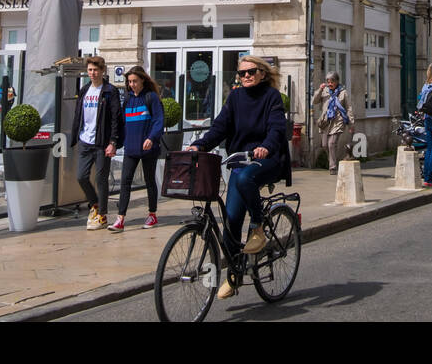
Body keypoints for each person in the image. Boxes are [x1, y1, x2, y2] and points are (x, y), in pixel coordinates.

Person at [185, 55, 289, 300]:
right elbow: (220, 127)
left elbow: (277, 128)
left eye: (251, 72)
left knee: (244, 180)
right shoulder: (235, 97)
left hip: (267, 158)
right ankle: (234, 276)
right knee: (230, 222)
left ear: (262, 73)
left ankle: (258, 226)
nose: (246, 76)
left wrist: (266, 146)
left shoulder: (272, 97)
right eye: (242, 73)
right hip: (241, 160)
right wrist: (200, 146)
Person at [109, 66, 165, 232]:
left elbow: (159, 121)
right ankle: (120, 219)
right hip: (131, 148)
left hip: (149, 148)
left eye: (134, 81)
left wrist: (151, 138)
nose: (131, 84)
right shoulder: (127, 99)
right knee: (125, 182)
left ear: (142, 80)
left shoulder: (151, 97)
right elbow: (123, 124)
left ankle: (152, 214)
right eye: (129, 81)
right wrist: (115, 143)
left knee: (149, 181)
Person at [73, 56, 123, 231]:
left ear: (102, 71)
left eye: (95, 70)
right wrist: (76, 136)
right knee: (81, 176)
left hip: (102, 142)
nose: (92, 73)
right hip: (85, 141)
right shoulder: (85, 90)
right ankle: (94, 204)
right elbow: (79, 114)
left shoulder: (110, 91)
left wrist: (113, 142)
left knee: (101, 179)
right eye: (90, 70)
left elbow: (116, 118)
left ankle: (102, 215)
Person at [311, 72, 353, 174]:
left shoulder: (343, 93)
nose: (330, 84)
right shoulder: (324, 91)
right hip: (325, 122)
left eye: (332, 81)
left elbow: (349, 108)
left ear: (337, 81)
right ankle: (333, 161)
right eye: (328, 82)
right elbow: (314, 101)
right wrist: (320, 89)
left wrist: (351, 123)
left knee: (331, 143)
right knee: (325, 145)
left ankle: (333, 167)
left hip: (338, 121)